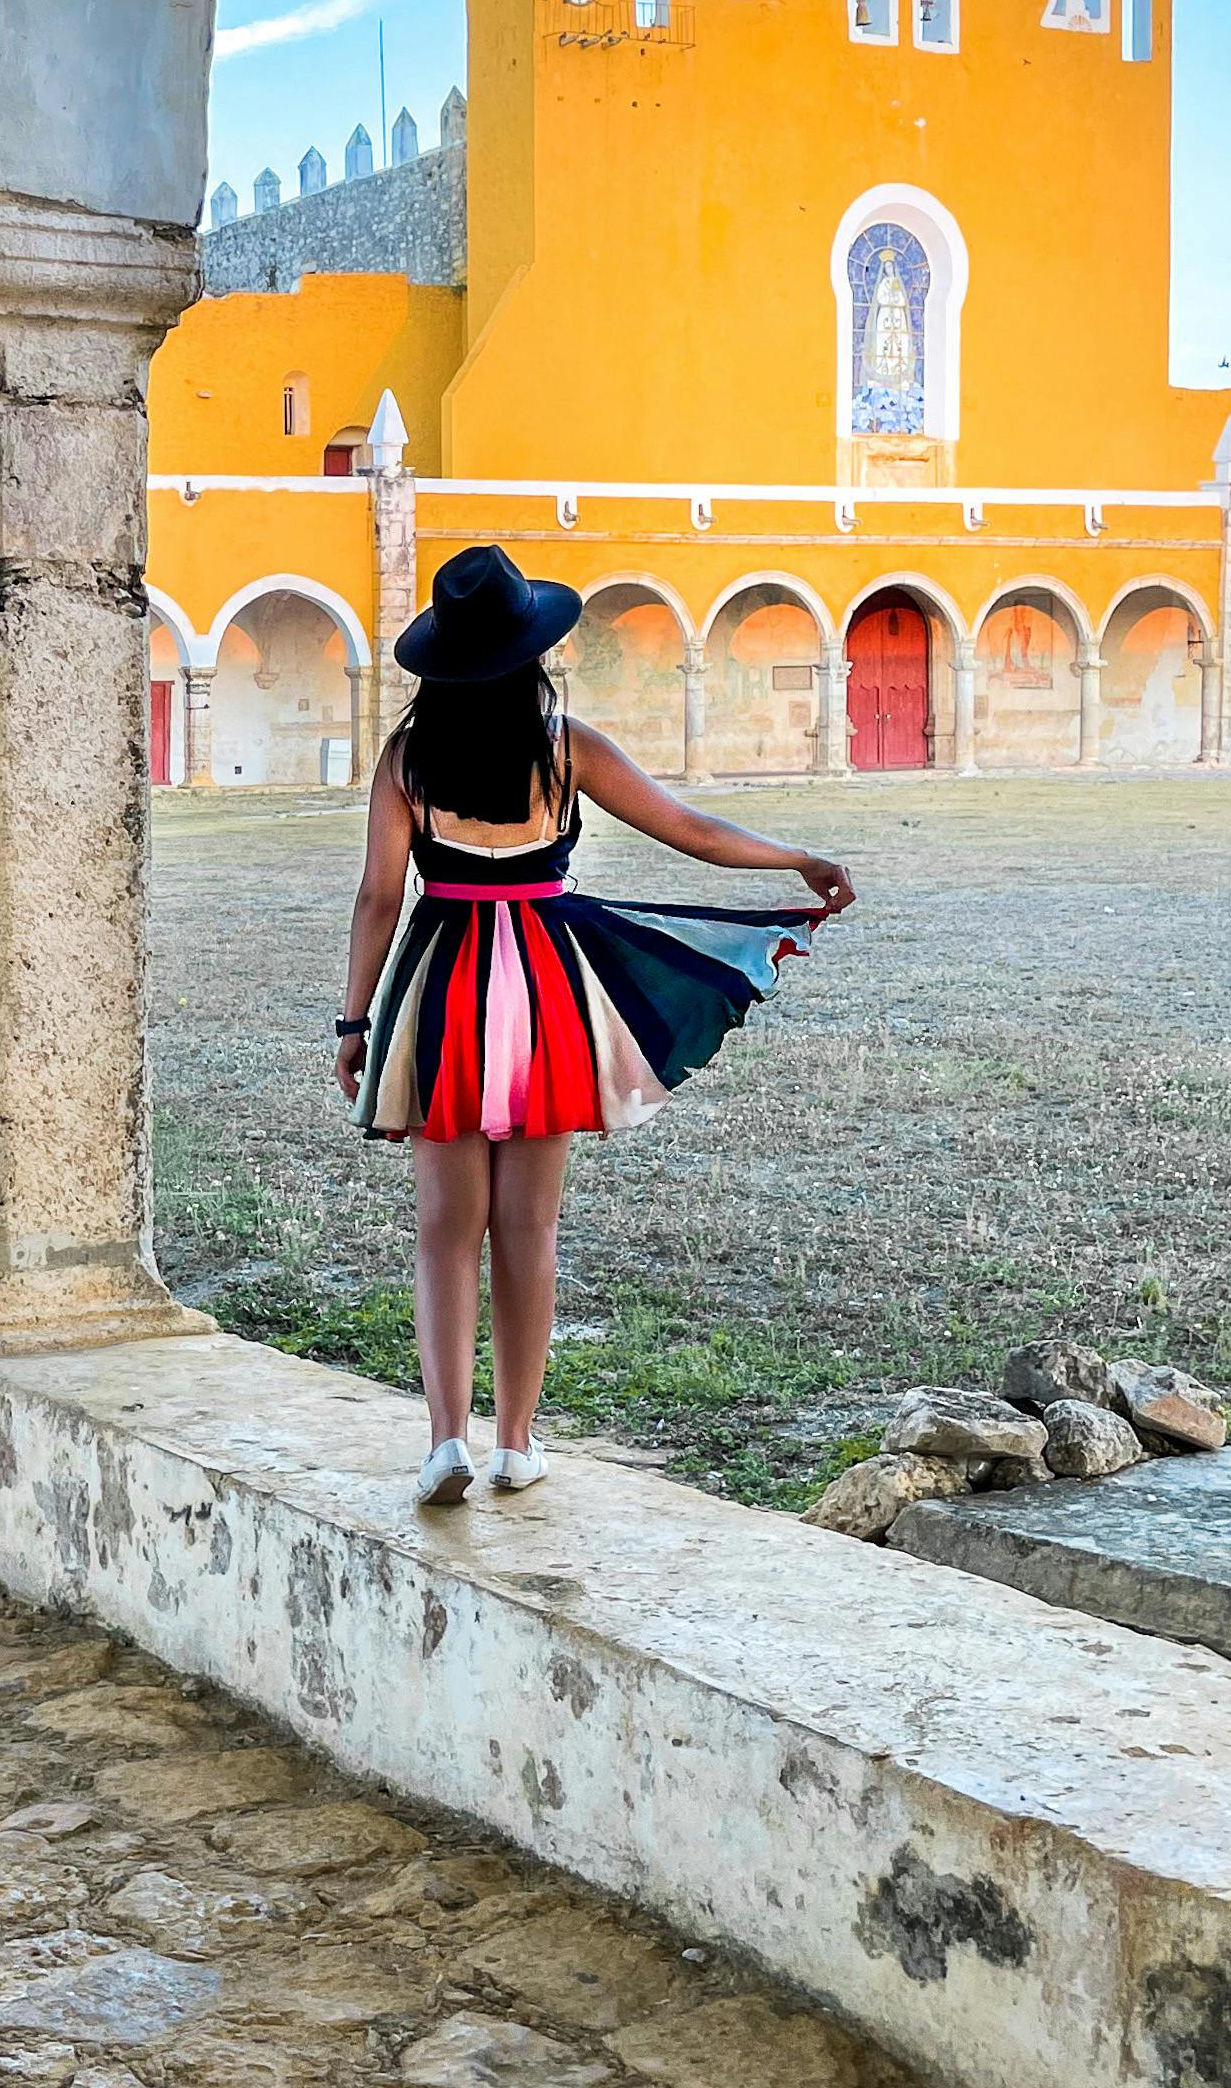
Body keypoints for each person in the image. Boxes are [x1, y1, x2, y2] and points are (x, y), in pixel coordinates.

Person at [336, 545, 854, 1507]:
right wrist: (798, 858)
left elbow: (378, 896)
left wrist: (354, 1019)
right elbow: (692, 830)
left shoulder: (408, 758)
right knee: (527, 1227)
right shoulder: (567, 748)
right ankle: (515, 1444)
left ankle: (445, 1441)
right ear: (530, 653)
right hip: (545, 990)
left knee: (445, 1229)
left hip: (442, 984)